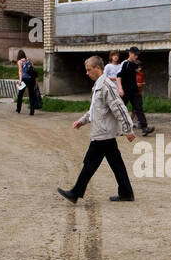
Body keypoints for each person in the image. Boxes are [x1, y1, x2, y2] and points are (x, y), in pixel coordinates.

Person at [57, 55, 136, 204]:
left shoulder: (106, 85)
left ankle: (75, 192)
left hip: (103, 133)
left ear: (98, 68)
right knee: (116, 163)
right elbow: (95, 110)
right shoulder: (98, 85)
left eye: (89, 70)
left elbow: (119, 107)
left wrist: (128, 129)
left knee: (90, 162)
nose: (87, 73)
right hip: (102, 132)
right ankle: (126, 192)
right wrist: (82, 120)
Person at [118, 46, 154, 137]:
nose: (136, 56)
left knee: (139, 108)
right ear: (130, 53)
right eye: (134, 54)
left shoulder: (135, 64)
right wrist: (120, 89)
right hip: (125, 91)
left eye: (137, 55)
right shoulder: (124, 64)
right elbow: (118, 77)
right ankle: (117, 128)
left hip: (134, 91)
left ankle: (144, 128)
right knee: (121, 109)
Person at [15, 49, 39, 116]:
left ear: (18, 55)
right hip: (31, 79)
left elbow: (20, 71)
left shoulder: (19, 61)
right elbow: (33, 69)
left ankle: (18, 109)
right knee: (31, 95)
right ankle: (32, 111)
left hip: (24, 79)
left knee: (20, 94)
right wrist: (36, 80)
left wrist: (20, 80)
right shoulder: (29, 60)